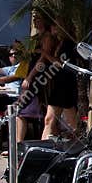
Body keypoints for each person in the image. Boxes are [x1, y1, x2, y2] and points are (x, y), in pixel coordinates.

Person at [20, 10, 58, 138]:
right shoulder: (36, 37)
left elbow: (42, 59)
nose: (36, 20)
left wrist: (30, 77)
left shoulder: (47, 37)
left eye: (38, 18)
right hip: (33, 71)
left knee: (25, 110)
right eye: (34, 18)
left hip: (40, 75)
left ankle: (20, 142)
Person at [44, 21, 79, 140]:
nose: (53, 28)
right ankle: (42, 148)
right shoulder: (57, 43)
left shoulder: (68, 45)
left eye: (56, 26)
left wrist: (45, 54)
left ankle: (78, 146)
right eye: (52, 25)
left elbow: (61, 64)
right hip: (57, 84)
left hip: (66, 84)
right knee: (49, 119)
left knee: (71, 122)